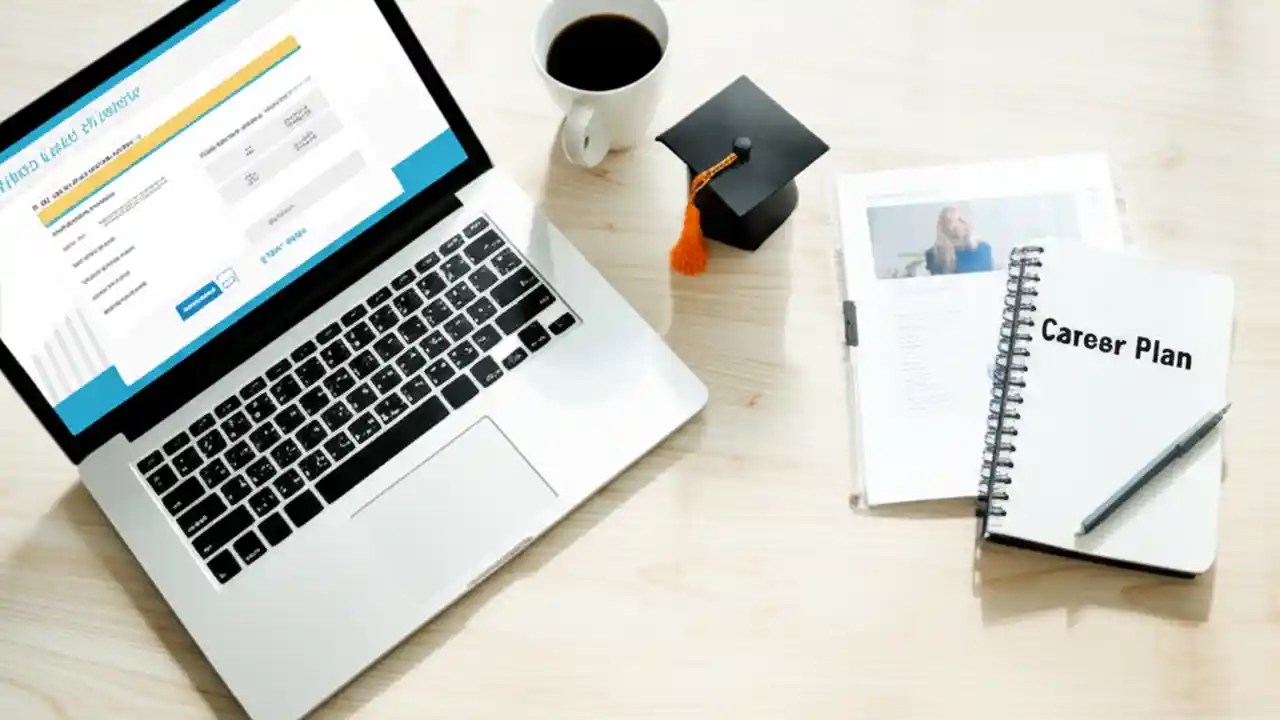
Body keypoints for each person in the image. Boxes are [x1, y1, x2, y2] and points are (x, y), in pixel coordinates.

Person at [925, 206, 994, 275]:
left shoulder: (983, 248)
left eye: (959, 221)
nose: (957, 226)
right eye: (952, 222)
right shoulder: (934, 255)